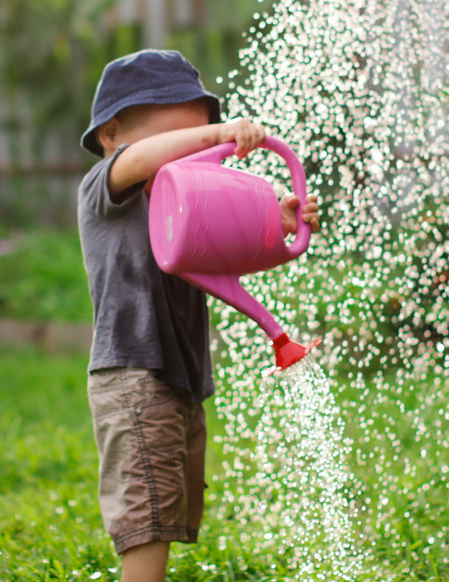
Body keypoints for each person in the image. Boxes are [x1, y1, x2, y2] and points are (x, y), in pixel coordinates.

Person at [77, 49, 319, 582]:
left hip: (180, 380)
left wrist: (278, 222)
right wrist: (217, 135)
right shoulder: (106, 188)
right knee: (147, 526)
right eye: (181, 140)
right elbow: (144, 160)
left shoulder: (187, 207)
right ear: (113, 133)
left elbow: (231, 261)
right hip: (135, 375)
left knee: (167, 508)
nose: (197, 152)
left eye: (202, 134)